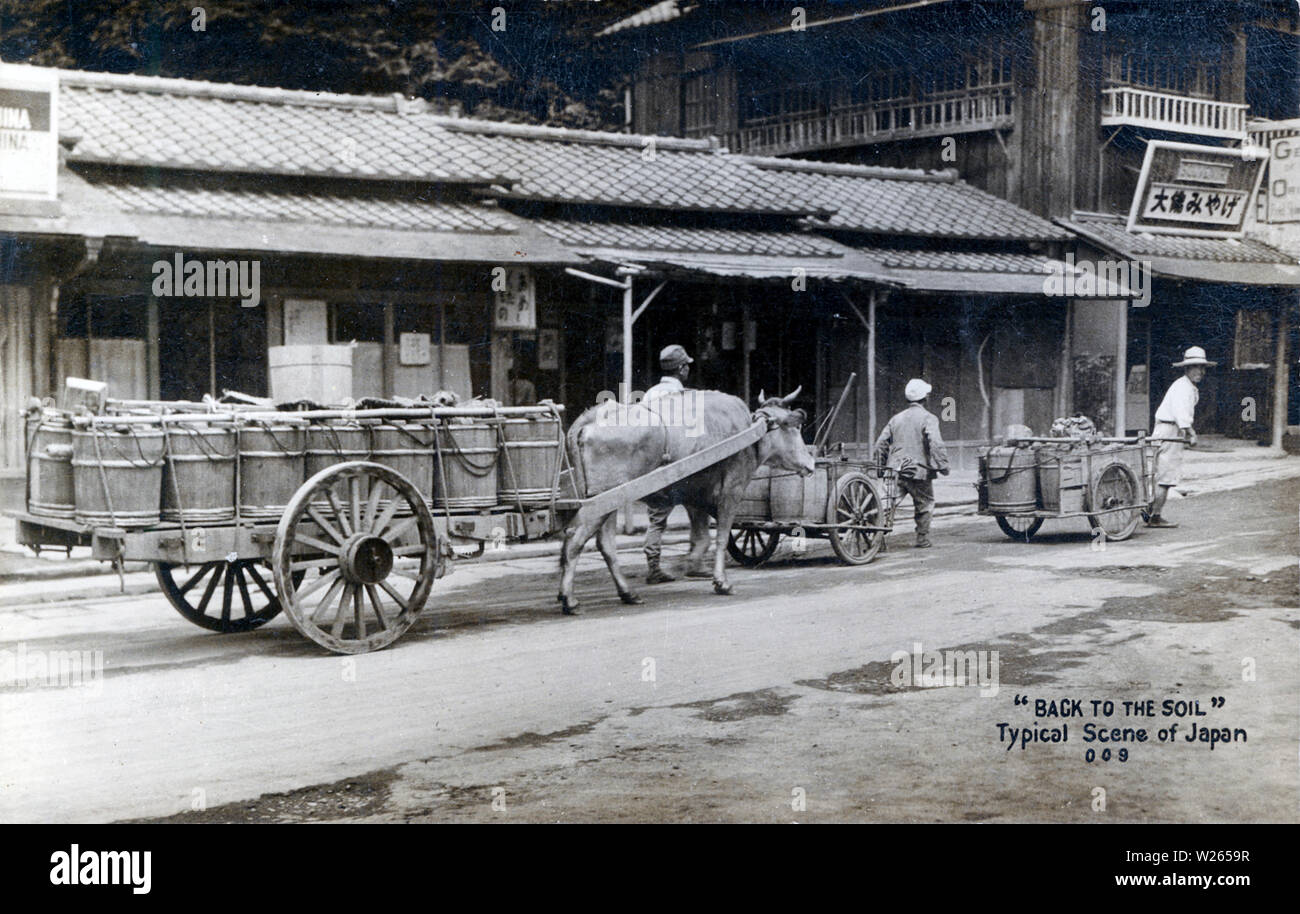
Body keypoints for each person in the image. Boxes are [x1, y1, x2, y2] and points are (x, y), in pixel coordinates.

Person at [642, 344, 696, 584]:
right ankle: (659, 567)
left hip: (650, 462)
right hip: (674, 465)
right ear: (682, 369)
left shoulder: (650, 393)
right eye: (687, 367)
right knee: (696, 507)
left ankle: (660, 564)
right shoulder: (681, 395)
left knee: (656, 516)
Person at [874, 378, 950, 548]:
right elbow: (936, 443)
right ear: (926, 398)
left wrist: (881, 468)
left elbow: (880, 444)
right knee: (925, 504)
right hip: (918, 471)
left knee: (885, 504)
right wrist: (943, 466)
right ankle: (922, 539)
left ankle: (877, 539)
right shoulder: (929, 418)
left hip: (894, 471)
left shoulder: (896, 419)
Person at [1146, 346, 1214, 528]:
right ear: (1186, 368)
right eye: (1195, 367)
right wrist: (1190, 432)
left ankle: (1151, 511)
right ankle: (1155, 516)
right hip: (1170, 431)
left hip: (1167, 430)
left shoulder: (1184, 386)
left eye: (1202, 367)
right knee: (1166, 477)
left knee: (1160, 474)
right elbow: (1181, 414)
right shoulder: (1183, 388)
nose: (1200, 371)